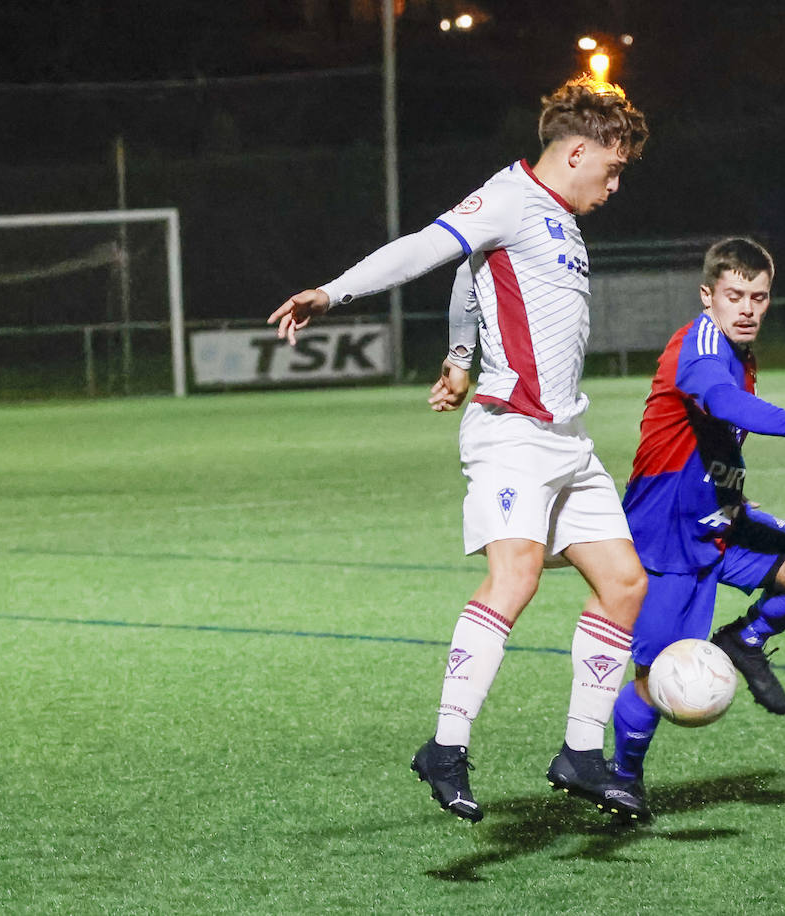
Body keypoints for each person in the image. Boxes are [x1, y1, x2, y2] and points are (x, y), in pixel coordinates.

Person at [269, 76, 652, 823]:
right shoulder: (511, 196)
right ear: (578, 151)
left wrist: (456, 351)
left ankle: (580, 754)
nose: (615, 184)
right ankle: (445, 746)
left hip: (568, 438)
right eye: (612, 169)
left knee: (624, 584)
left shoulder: (560, 218)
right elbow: (431, 247)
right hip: (511, 431)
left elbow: (470, 275)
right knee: (515, 580)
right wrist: (333, 291)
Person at [605, 237, 785, 819]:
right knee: (654, 677)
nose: (749, 308)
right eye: (735, 295)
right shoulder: (702, 347)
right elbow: (723, 405)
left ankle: (742, 641)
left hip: (724, 519)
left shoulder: (741, 349)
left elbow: (720, 437)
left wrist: (732, 495)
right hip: (669, 536)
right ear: (708, 295)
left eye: (760, 296)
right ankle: (622, 778)